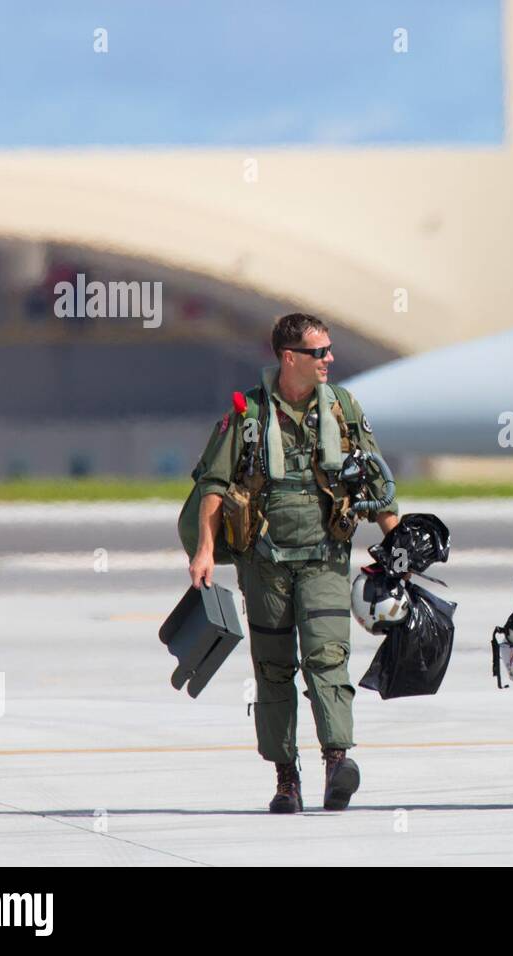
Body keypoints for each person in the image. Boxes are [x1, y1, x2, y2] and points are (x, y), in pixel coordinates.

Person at [188, 313, 399, 813]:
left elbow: (375, 480)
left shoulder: (343, 408)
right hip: (265, 563)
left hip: (326, 557)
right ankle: (286, 777)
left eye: (328, 350)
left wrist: (399, 544)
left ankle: (337, 761)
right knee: (274, 669)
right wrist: (205, 550)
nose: (329, 359)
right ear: (289, 358)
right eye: (318, 352)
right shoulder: (247, 413)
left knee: (328, 659)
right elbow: (214, 486)